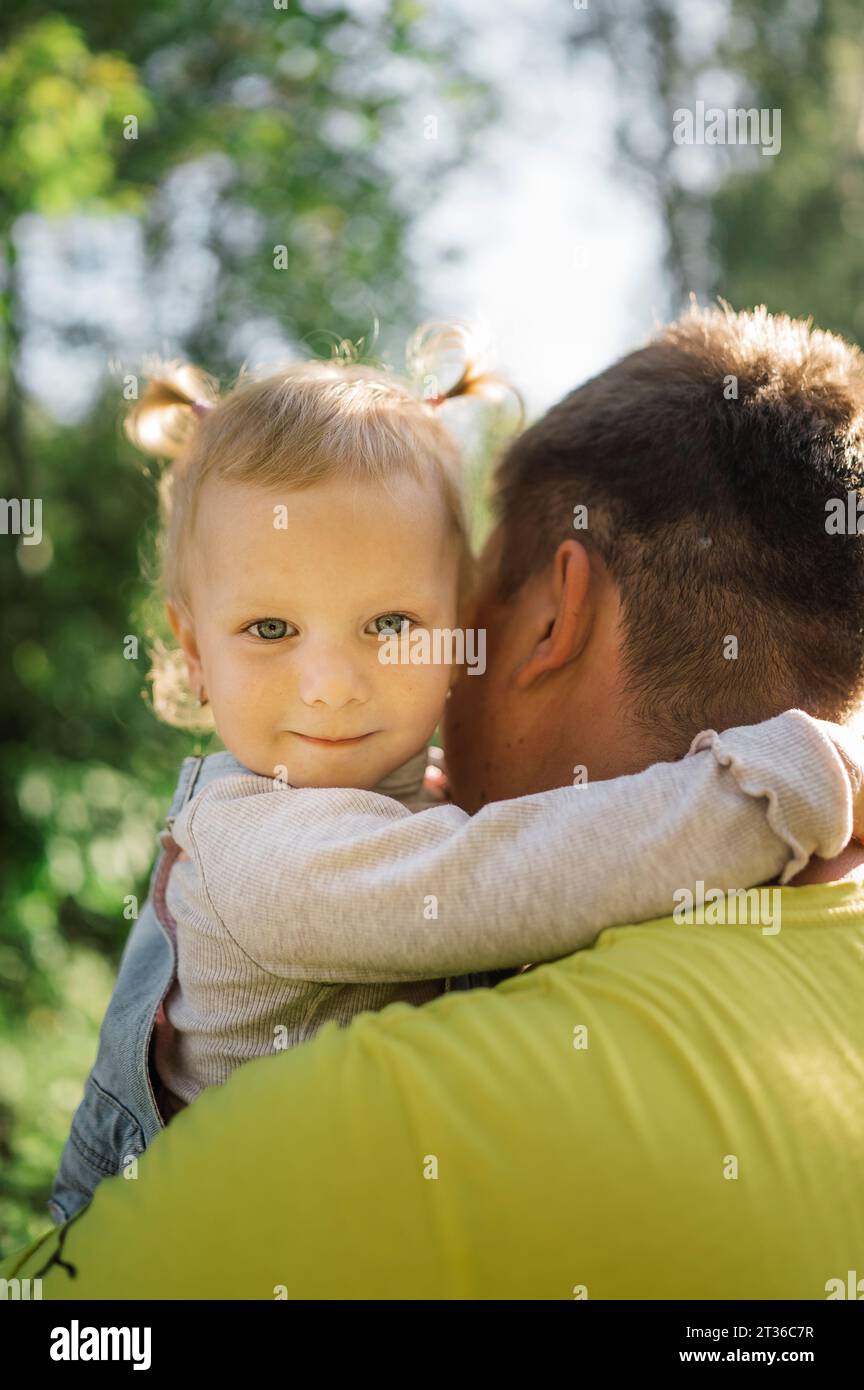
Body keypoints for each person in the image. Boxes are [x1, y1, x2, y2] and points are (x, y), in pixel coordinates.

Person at [4, 302, 864, 1299]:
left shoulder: (414, 814)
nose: (330, 684)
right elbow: (498, 872)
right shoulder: (258, 852)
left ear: (470, 617)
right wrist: (785, 780)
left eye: (390, 622)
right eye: (271, 627)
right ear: (192, 648)